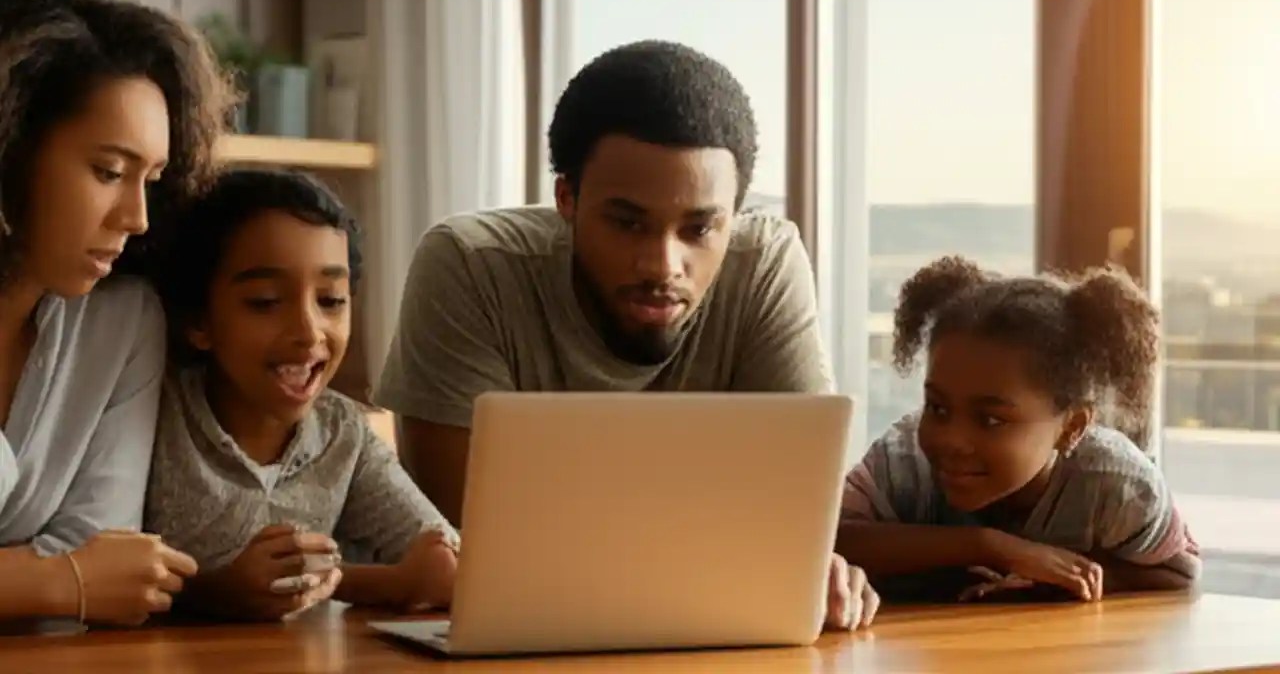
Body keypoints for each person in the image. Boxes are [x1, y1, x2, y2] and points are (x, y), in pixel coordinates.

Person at [376, 40, 875, 629]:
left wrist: (817, 570)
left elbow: (793, 520)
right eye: (627, 222)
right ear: (567, 198)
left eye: (699, 229)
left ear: (735, 216)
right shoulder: (469, 265)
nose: (662, 266)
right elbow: (465, 544)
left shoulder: (763, 263)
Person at [0, 0, 233, 626]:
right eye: (108, 172)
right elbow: (87, 574)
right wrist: (59, 579)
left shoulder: (123, 321)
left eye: (151, 180)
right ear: (10, 150)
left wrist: (63, 580)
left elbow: (111, 561)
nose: (137, 217)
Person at [145, 170, 459, 622]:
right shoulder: (153, 418)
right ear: (198, 321)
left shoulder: (341, 431)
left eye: (330, 300)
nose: (309, 331)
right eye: (266, 302)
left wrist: (439, 558)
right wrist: (215, 591)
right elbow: (108, 576)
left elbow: (433, 550)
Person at [837, 256, 1200, 602]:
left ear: (1072, 427)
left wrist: (1052, 581)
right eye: (938, 408)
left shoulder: (1116, 486)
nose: (950, 439)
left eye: (990, 420)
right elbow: (830, 539)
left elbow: (1179, 572)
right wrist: (990, 547)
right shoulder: (902, 461)